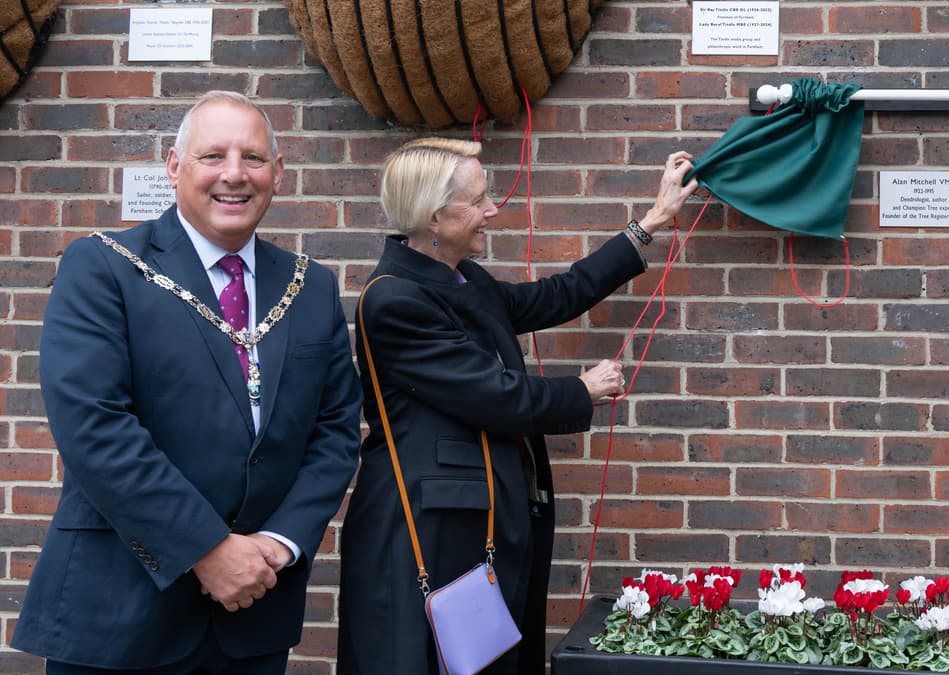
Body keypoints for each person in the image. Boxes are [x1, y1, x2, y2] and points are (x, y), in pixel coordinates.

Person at [12, 91, 363, 674]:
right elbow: (93, 426)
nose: (235, 174)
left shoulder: (311, 286)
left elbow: (334, 432)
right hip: (118, 615)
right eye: (213, 156)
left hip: (254, 614)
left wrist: (279, 543)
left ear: (278, 173)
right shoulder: (104, 266)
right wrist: (207, 549)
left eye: (253, 158)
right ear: (175, 167)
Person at [337, 137, 698, 674]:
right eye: (478, 200)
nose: (491, 210)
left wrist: (651, 221)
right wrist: (582, 389)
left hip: (464, 522)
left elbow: (558, 294)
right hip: (426, 530)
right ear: (434, 217)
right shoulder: (395, 300)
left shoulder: (462, 279)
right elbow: (494, 395)